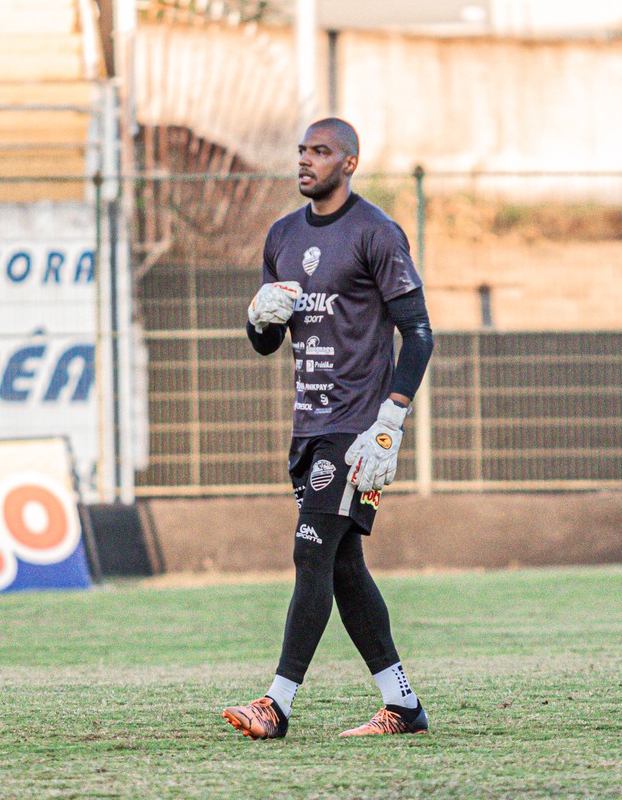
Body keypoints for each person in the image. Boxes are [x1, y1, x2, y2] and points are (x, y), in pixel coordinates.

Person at [221, 118, 436, 740]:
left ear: (349, 163)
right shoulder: (282, 236)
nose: (306, 161)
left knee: (311, 550)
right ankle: (403, 706)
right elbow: (267, 342)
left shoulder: (376, 232)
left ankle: (276, 704)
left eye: (320, 151)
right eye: (302, 151)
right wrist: (257, 319)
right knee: (344, 568)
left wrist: (391, 419)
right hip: (308, 424)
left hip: (356, 429)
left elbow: (419, 333)